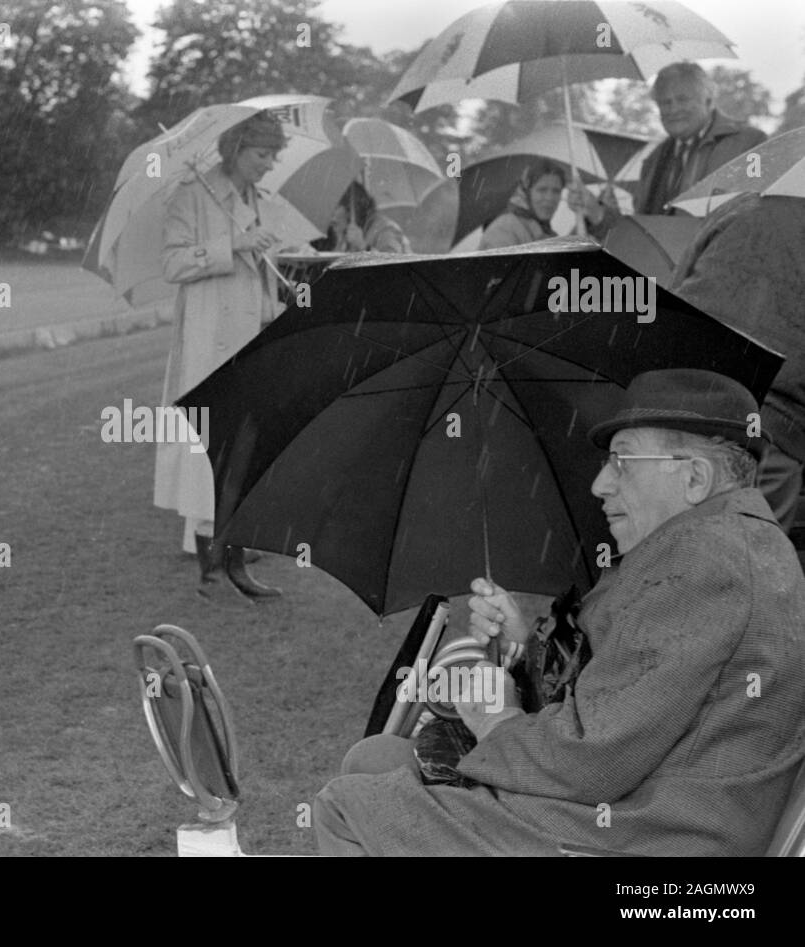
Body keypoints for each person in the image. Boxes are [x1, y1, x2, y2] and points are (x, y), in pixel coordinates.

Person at [314, 369, 805, 856]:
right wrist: (528, 647)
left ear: (694, 477)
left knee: (347, 808)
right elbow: (630, 697)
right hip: (635, 813)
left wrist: (496, 720)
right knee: (379, 760)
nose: (600, 484)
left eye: (623, 462)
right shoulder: (739, 542)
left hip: (643, 838)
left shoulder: (704, 561)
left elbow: (595, 758)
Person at [154, 111, 287, 601]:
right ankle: (213, 566)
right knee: (210, 449)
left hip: (249, 340)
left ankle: (233, 560)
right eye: (261, 154)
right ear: (235, 150)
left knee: (246, 447)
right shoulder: (193, 195)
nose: (270, 164)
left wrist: (275, 300)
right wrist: (230, 244)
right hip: (208, 342)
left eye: (274, 154)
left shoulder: (259, 201)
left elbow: (254, 276)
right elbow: (172, 264)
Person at [669, 192, 805, 560]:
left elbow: (674, 295)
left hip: (685, 406)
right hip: (774, 432)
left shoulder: (739, 208)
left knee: (665, 562)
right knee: (745, 575)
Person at [567, 62, 766, 238]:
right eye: (665, 102)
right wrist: (596, 212)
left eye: (682, 99)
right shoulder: (654, 160)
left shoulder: (748, 145)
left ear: (708, 100)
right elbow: (644, 239)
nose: (673, 109)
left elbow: (761, 221)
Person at [477, 160, 565, 250]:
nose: (549, 198)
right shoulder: (504, 230)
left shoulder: (546, 232)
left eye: (556, 191)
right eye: (542, 190)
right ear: (527, 191)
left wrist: (580, 213)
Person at [312, 185, 410, 253]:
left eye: (335, 207)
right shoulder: (343, 235)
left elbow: (392, 267)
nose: (329, 215)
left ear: (351, 209)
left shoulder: (385, 229)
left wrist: (362, 246)